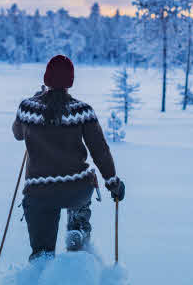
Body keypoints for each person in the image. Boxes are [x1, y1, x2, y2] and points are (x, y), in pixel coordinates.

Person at [12, 54, 125, 261]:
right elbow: (99, 150)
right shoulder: (83, 111)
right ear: (70, 82)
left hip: (39, 192)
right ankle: (77, 232)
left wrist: (34, 102)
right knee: (79, 200)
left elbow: (18, 134)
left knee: (42, 254)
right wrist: (112, 182)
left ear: (46, 79)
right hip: (76, 189)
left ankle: (40, 269)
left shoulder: (27, 108)